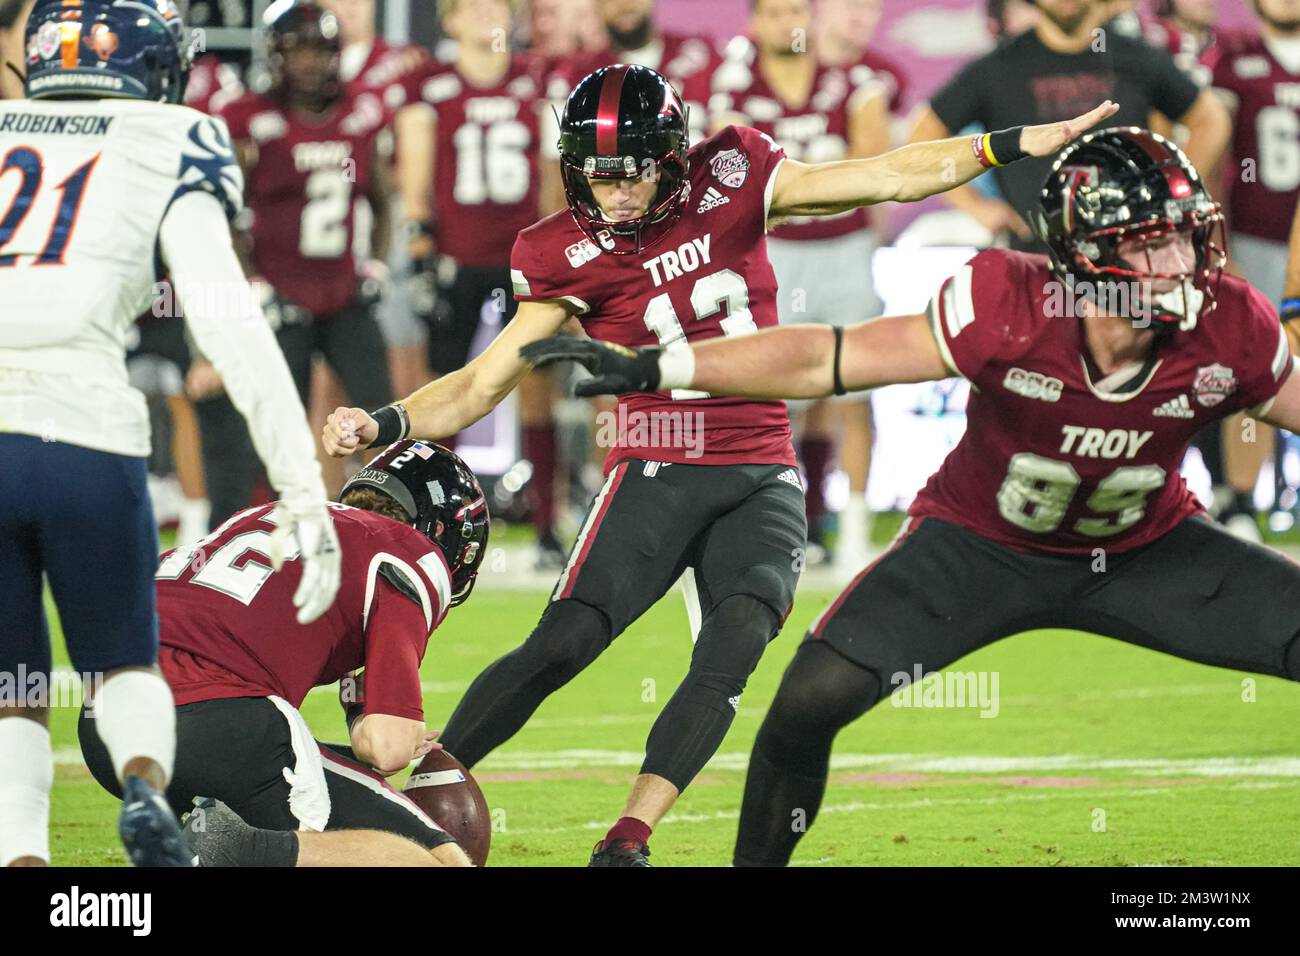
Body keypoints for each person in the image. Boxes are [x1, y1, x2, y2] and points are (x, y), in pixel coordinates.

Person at [322, 62, 1118, 865]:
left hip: (761, 465)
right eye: (600, 175)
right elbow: (478, 384)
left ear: (675, 157)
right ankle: (395, 799)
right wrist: (385, 421)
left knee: (733, 647)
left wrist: (1006, 145)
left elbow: (884, 175)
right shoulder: (560, 249)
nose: (619, 192)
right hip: (656, 464)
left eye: (636, 171)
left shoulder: (734, 171)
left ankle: (629, 839)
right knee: (564, 642)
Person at [520, 126, 1300, 866]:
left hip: (1144, 549)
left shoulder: (1232, 327)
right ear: (1086, 254)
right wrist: (666, 368)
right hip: (978, 548)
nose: (1184, 261)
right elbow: (830, 358)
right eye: (1152, 243)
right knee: (805, 703)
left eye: (1186, 236)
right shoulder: (1007, 303)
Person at [0, 0, 339, 868]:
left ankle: (23, 862)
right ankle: (148, 790)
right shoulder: (168, 135)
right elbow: (228, 321)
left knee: (14, 689)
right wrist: (301, 485)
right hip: (85, 434)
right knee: (123, 666)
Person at [79, 441, 489, 868]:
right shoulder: (406, 550)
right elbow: (387, 748)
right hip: (212, 720)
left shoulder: (273, 513)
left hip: (104, 720)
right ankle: (236, 847)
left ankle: (227, 841)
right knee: (438, 858)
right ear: (442, 530)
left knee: (297, 787)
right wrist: (367, 715)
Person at [193, 1, 395, 517]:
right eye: (298, 51)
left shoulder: (360, 112)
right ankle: (257, 533)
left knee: (385, 419)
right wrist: (253, 281)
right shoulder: (249, 118)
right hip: (280, 295)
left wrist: (377, 263)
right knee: (271, 424)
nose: (309, 63)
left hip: (344, 291)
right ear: (275, 55)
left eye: (320, 51)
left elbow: (382, 197)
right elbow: (226, 212)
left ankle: (396, 522)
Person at [711, 0, 892, 576]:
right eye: (775, 11)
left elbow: (878, 176)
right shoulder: (731, 90)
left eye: (797, 9)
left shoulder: (855, 83)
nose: (788, 22)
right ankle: (781, 526)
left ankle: (854, 533)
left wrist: (868, 243)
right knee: (778, 398)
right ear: (753, 23)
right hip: (776, 256)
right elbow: (722, 181)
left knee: (855, 392)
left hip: (844, 250)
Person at [400, 0, 566, 567]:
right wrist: (421, 247)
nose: (483, 15)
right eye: (470, 6)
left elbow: (552, 177)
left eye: (493, 4)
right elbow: (416, 178)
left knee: (539, 386)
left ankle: (548, 523)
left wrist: (554, 249)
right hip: (459, 256)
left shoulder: (537, 79)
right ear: (448, 20)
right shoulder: (432, 85)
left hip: (522, 257)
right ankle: (430, 520)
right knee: (443, 387)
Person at [909, 0, 1230, 247]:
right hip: (1033, 256)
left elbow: (1210, 119)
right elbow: (923, 135)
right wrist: (977, 207)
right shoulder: (996, 68)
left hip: (1130, 252)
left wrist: (1170, 192)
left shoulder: (1137, 57)